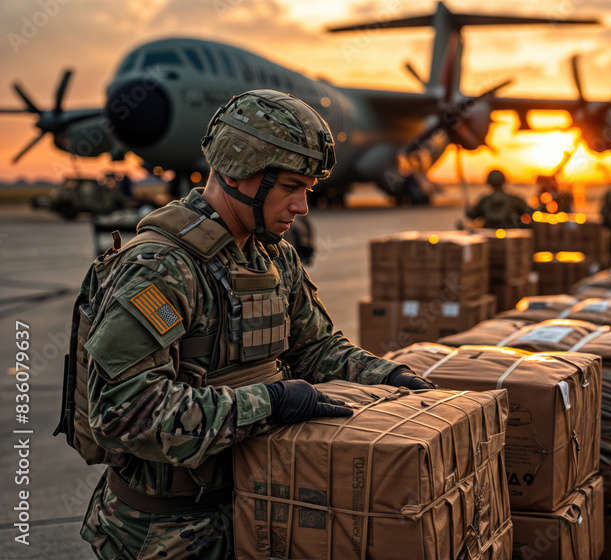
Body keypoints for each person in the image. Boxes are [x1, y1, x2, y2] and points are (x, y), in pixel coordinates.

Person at [78, 90, 432, 560]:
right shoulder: (161, 268)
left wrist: (386, 377)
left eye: (307, 189)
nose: (303, 207)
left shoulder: (271, 255)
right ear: (238, 171)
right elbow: (124, 413)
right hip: (162, 533)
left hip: (253, 508)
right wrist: (270, 403)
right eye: (290, 187)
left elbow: (315, 348)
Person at [466, 169, 531, 228]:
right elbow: (528, 212)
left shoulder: (484, 200)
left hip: (489, 236)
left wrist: (467, 208)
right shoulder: (514, 199)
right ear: (503, 182)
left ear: (489, 183)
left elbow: (472, 215)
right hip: (510, 236)